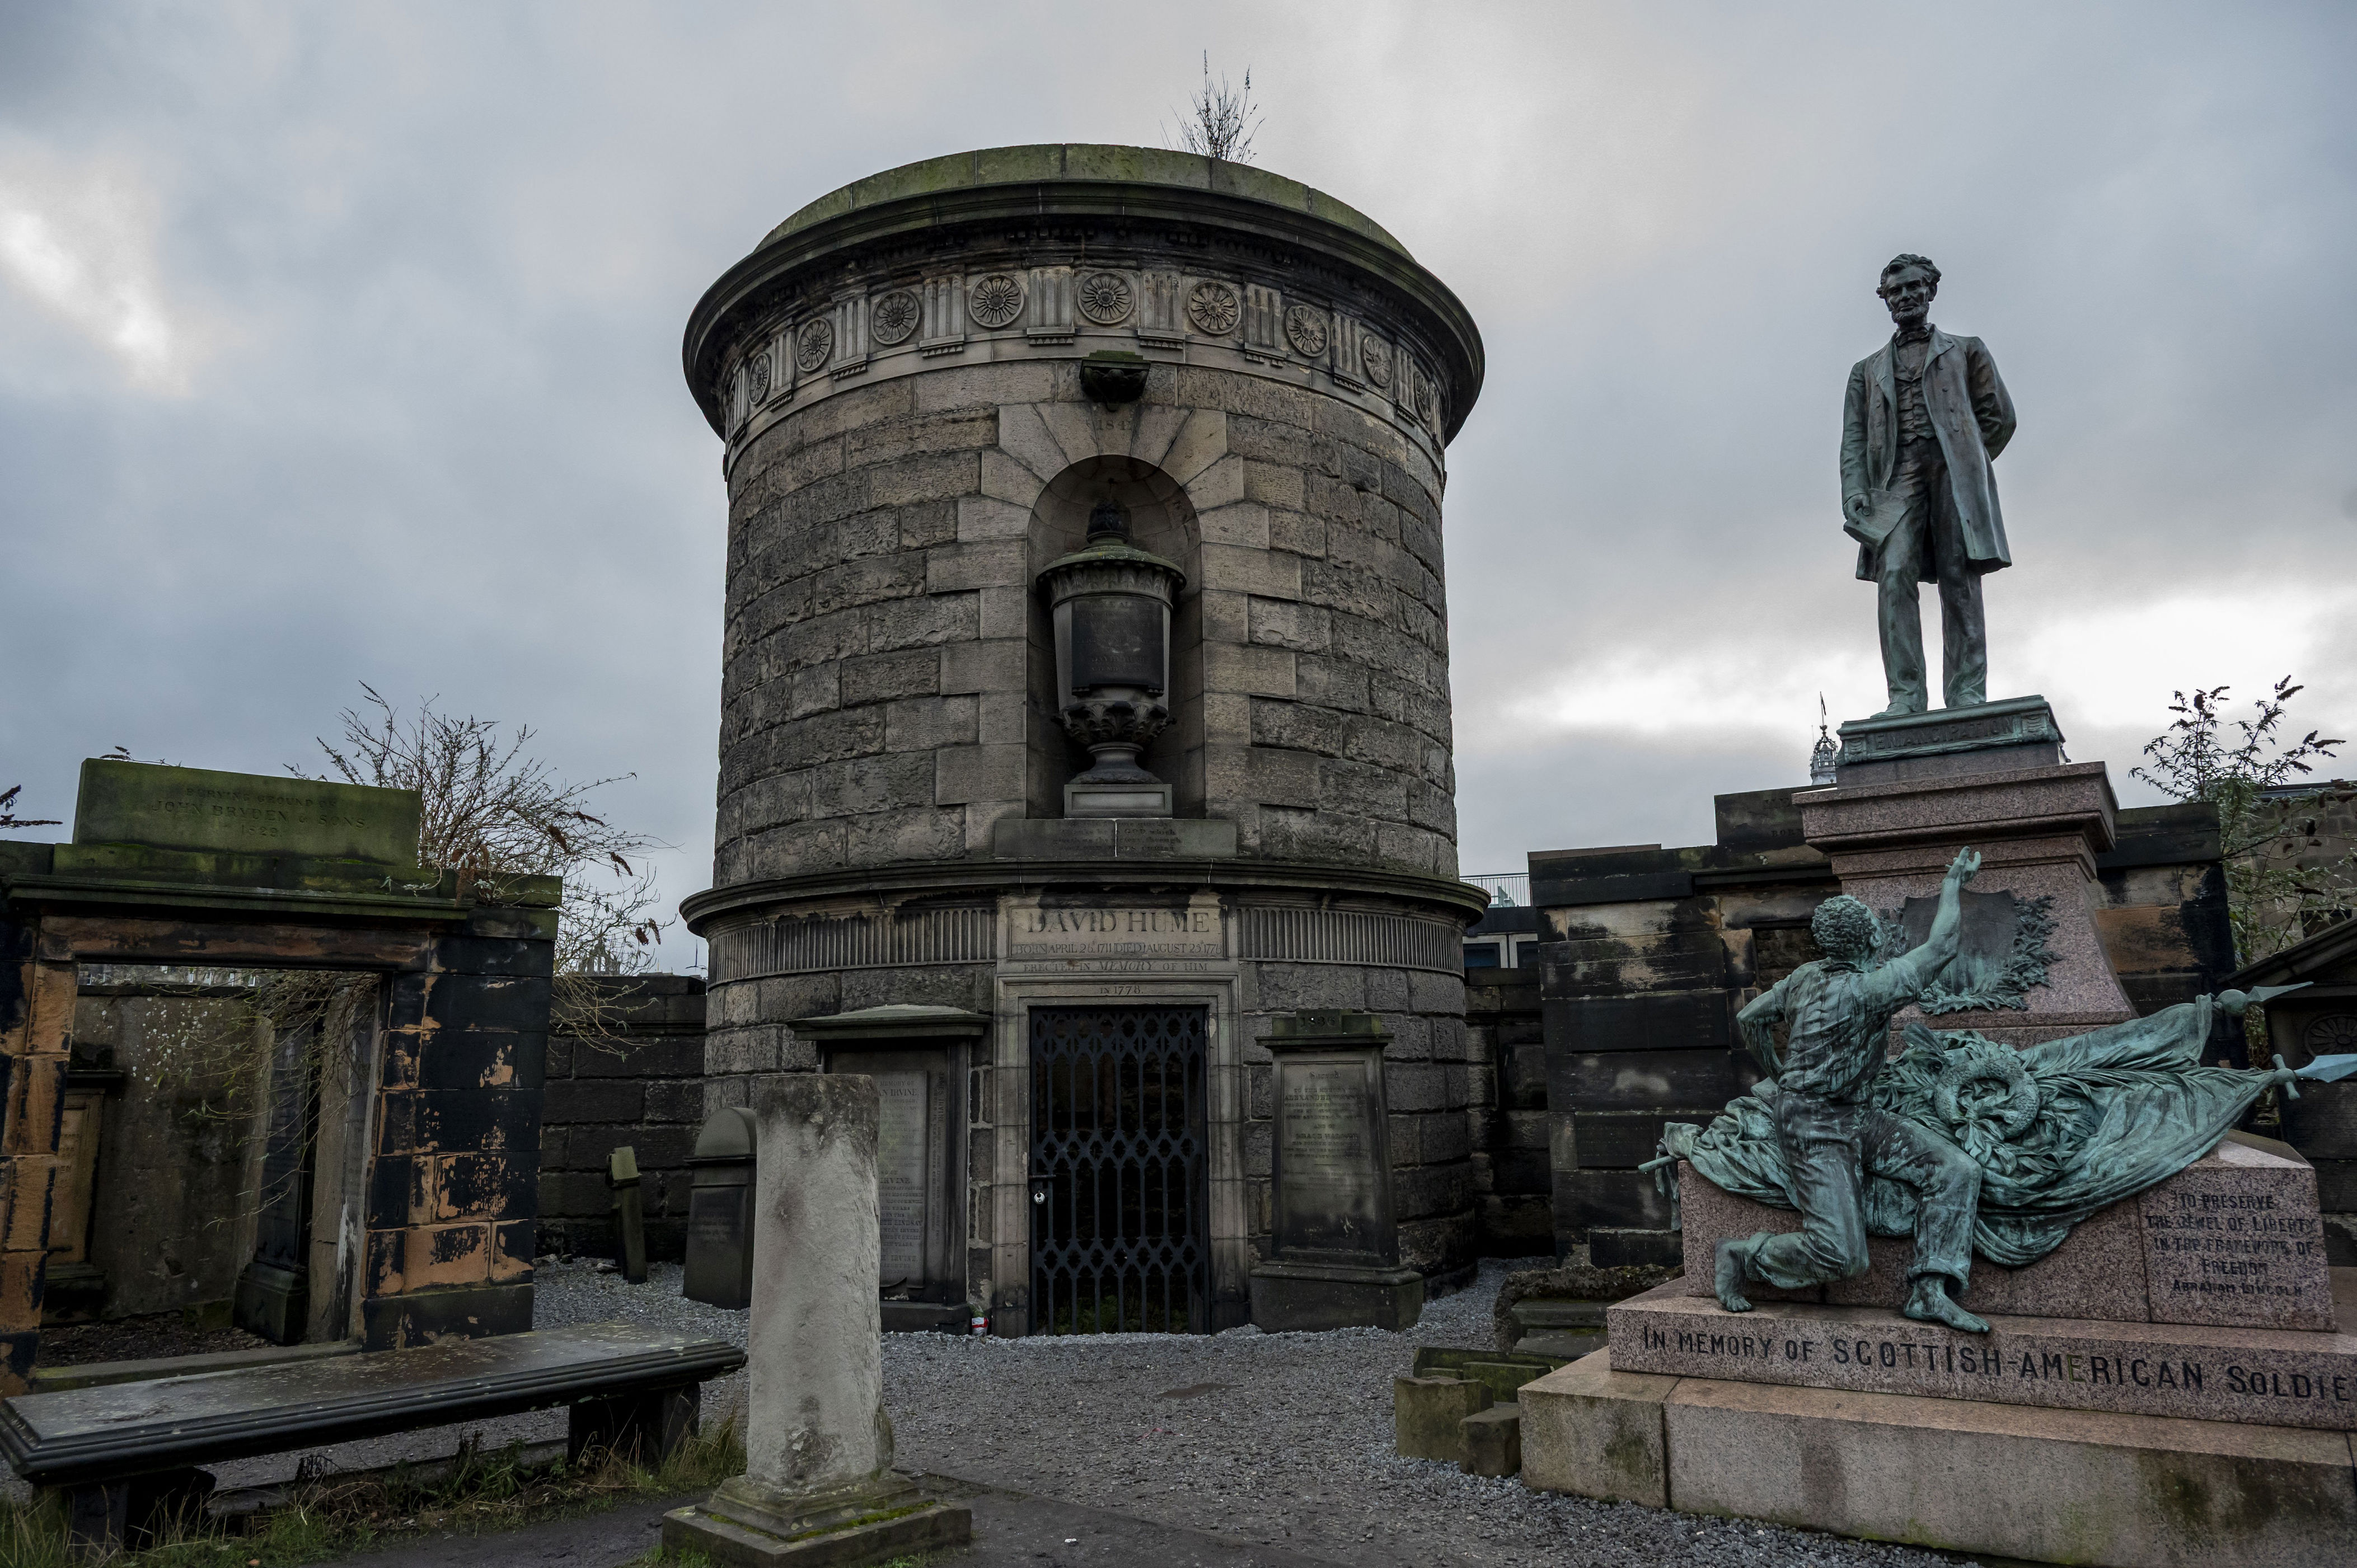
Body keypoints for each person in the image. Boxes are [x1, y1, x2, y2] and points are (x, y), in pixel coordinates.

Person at [1720, 847, 1991, 1332]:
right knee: (1842, 1258)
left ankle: (1929, 1291)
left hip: (1858, 1117)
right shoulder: (1870, 990)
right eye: (1875, 927)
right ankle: (1746, 1255)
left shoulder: (1806, 976)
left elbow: (1749, 1018)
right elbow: (1942, 946)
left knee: (1956, 1169)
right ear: (1869, 939)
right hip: (1813, 1128)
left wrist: (1777, 1071)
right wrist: (1952, 885)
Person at [1840, 256, 2016, 719]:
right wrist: (1854, 490)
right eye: (1895, 292)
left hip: (1951, 474)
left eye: (1913, 288)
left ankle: (1965, 693)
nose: (1904, 297)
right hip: (1895, 481)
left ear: (1930, 291)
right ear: (1885, 299)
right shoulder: (1866, 370)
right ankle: (1905, 696)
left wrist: (1967, 462)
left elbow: (1999, 417)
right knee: (1894, 574)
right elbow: (1854, 439)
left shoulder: (1966, 349)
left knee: (1959, 579)